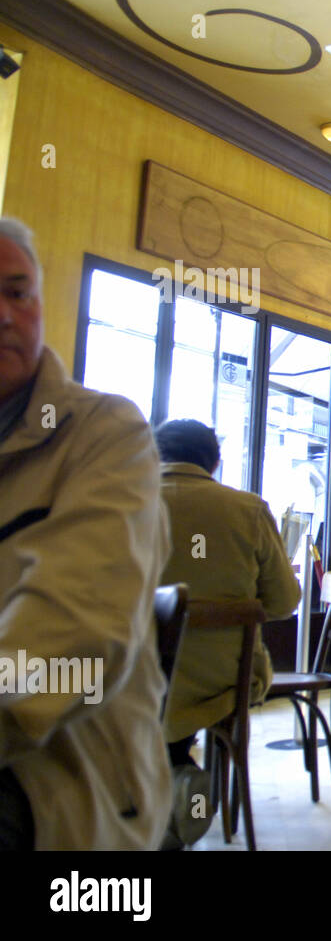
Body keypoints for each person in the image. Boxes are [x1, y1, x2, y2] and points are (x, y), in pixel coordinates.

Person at [0, 217, 172, 849]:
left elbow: (78, 634)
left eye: (18, 293)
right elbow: (283, 602)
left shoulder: (105, 434)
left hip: (74, 777)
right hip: (213, 693)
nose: (4, 314)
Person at [154, 421, 300, 777]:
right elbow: (283, 603)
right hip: (225, 678)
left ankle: (163, 776)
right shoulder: (247, 509)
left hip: (130, 677)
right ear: (214, 463)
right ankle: (180, 777)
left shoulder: (115, 504)